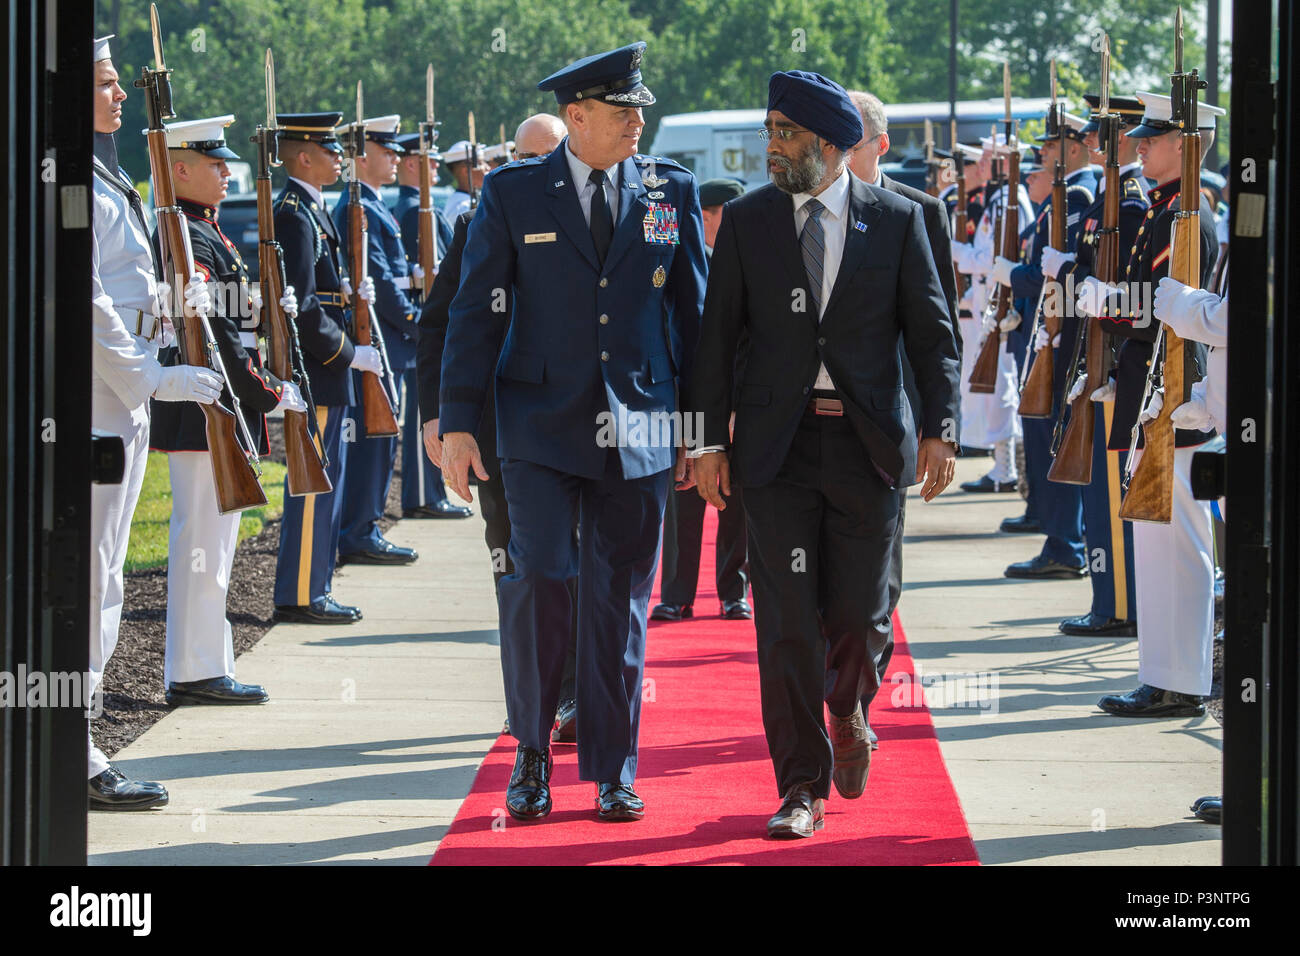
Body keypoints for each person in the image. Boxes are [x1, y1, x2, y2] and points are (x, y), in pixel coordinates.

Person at [440, 43, 707, 822]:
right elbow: (471, 312)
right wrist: (459, 424)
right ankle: (531, 751)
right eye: (621, 110)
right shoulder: (515, 194)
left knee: (620, 602)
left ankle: (614, 767)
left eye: (640, 111)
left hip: (644, 427)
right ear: (577, 117)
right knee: (542, 580)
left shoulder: (668, 190)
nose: (637, 122)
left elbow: (690, 315)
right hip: (539, 429)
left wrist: (696, 431)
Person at [689, 71, 960, 838]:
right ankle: (799, 787)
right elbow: (716, 343)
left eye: (784, 133)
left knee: (860, 614)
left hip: (867, 446)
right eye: (768, 131)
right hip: (776, 452)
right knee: (783, 622)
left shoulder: (900, 220)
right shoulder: (747, 222)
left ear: (830, 143)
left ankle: (846, 707)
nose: (770, 147)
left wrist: (940, 429)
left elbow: (934, 337)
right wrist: (707, 441)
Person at [417, 113, 583, 743]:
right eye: (517, 156)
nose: (525, 169)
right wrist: (441, 415)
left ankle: (575, 695)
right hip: (500, 432)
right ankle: (534, 695)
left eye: (543, 156)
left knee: (581, 566)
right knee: (516, 565)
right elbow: (442, 324)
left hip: (585, 428)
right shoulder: (476, 222)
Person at [89, 35, 223, 808]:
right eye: (105, 83)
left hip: (122, 399)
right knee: (95, 579)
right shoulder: (71, 179)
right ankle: (72, 749)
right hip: (101, 399)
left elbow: (128, 286)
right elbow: (89, 299)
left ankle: (78, 738)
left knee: (105, 578)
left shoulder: (110, 176)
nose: (117, 95)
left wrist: (173, 317)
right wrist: (151, 375)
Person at [148, 115, 305, 703]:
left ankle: (205, 663)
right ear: (180, 169)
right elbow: (214, 329)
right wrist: (265, 391)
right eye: (215, 164)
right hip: (207, 404)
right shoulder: (187, 234)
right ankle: (193, 672)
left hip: (212, 401)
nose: (226, 172)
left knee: (212, 543)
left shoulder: (203, 230)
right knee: (202, 543)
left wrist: (267, 307)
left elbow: (232, 317)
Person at [1087, 90, 1223, 717]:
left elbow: (1159, 309)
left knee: (1179, 546)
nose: (1138, 146)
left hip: (1179, 399)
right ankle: (1162, 674)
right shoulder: (1164, 210)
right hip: (1151, 394)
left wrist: (1102, 302)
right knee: (1153, 540)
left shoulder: (1189, 217)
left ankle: (1183, 680)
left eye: (1153, 138)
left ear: (1187, 144)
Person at [843, 90, 960, 748]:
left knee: (879, 566)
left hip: (891, 416)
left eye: (848, 138)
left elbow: (935, 327)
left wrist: (938, 426)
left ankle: (859, 694)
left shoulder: (920, 212)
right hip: (816, 421)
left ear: (879, 146)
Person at [1042, 93, 1149, 637]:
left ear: (1123, 138)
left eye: (1098, 134)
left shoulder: (1130, 201)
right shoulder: (1108, 195)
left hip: (1109, 360)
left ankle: (1120, 604)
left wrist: (1076, 280)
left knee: (1109, 495)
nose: (1087, 141)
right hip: (1090, 354)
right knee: (1097, 492)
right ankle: (1108, 598)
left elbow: (1135, 299)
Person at [271, 111, 375, 624]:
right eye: (330, 151)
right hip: (318, 369)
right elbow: (305, 307)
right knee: (313, 482)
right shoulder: (292, 212)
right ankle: (300, 593)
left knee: (324, 479)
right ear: (305, 156)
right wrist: (350, 353)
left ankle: (313, 585)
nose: (339, 158)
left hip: (326, 369)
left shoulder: (312, 208)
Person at [990, 110, 1095, 578]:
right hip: (1044, 335)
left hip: (1061, 338)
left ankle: (1064, 545)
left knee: (1056, 441)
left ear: (1073, 148)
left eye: (1050, 147)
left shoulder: (1078, 195)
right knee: (1044, 439)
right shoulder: (1063, 197)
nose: (1042, 155)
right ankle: (1058, 537)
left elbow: (1059, 273)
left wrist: (1011, 274)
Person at [652, 176, 752, 624]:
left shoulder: (755, 263)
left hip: (737, 401)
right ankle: (676, 593)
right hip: (691, 397)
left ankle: (734, 590)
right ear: (709, 216)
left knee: (736, 499)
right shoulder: (685, 259)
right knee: (685, 494)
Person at [332, 116, 421, 566]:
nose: (397, 160)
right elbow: (380, 284)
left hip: (391, 342)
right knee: (373, 438)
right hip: (378, 340)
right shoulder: (356, 207)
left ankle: (363, 526)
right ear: (361, 156)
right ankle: (358, 530)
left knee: (383, 437)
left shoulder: (375, 204)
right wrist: (416, 322)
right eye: (387, 152)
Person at [386, 130, 471, 519]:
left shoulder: (423, 207)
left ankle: (431, 492)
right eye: (428, 160)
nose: (436, 167)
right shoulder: (409, 208)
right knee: (424, 411)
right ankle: (423, 495)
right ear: (409, 164)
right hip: (418, 325)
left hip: (427, 319)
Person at [951, 134, 1034, 492]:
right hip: (990, 302)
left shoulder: (1006, 200)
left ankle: (1006, 471)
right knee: (996, 389)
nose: (981, 165)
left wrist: (953, 247)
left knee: (1001, 389)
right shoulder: (1000, 199)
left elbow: (989, 258)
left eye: (988, 158)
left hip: (1001, 306)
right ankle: (1004, 467)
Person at [440, 140, 489, 220]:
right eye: (480, 163)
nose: (488, 167)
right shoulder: (461, 207)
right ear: (466, 171)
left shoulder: (471, 199)